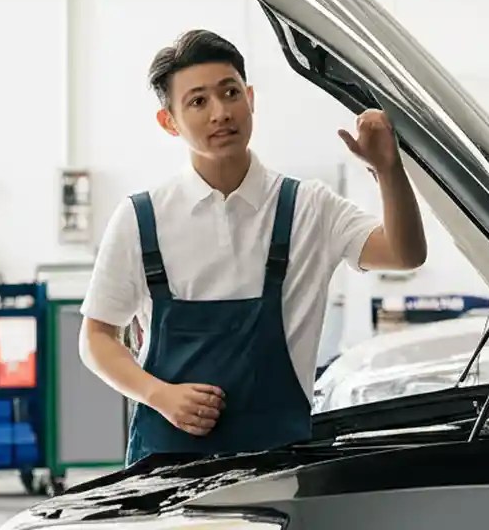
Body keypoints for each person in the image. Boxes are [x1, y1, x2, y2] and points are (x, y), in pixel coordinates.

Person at [80, 29, 427, 465]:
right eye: (198, 101)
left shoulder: (308, 207)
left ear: (251, 98)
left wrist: (389, 170)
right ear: (169, 121)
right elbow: (96, 337)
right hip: (163, 476)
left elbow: (404, 253)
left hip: (277, 470)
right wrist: (160, 395)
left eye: (230, 93)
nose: (220, 112)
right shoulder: (140, 218)